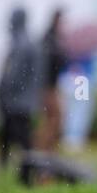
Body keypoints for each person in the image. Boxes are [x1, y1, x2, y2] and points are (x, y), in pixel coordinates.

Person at [0, 6, 38, 169]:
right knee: (10, 134)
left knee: (22, 138)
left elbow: (13, 75)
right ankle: (9, 166)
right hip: (23, 99)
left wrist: (2, 91)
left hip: (16, 100)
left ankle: (27, 169)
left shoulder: (20, 43)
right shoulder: (27, 41)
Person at [34, 8, 67, 152]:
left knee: (52, 118)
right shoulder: (50, 39)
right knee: (54, 118)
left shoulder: (50, 38)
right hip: (48, 87)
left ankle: (46, 148)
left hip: (49, 86)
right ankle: (42, 148)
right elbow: (53, 61)